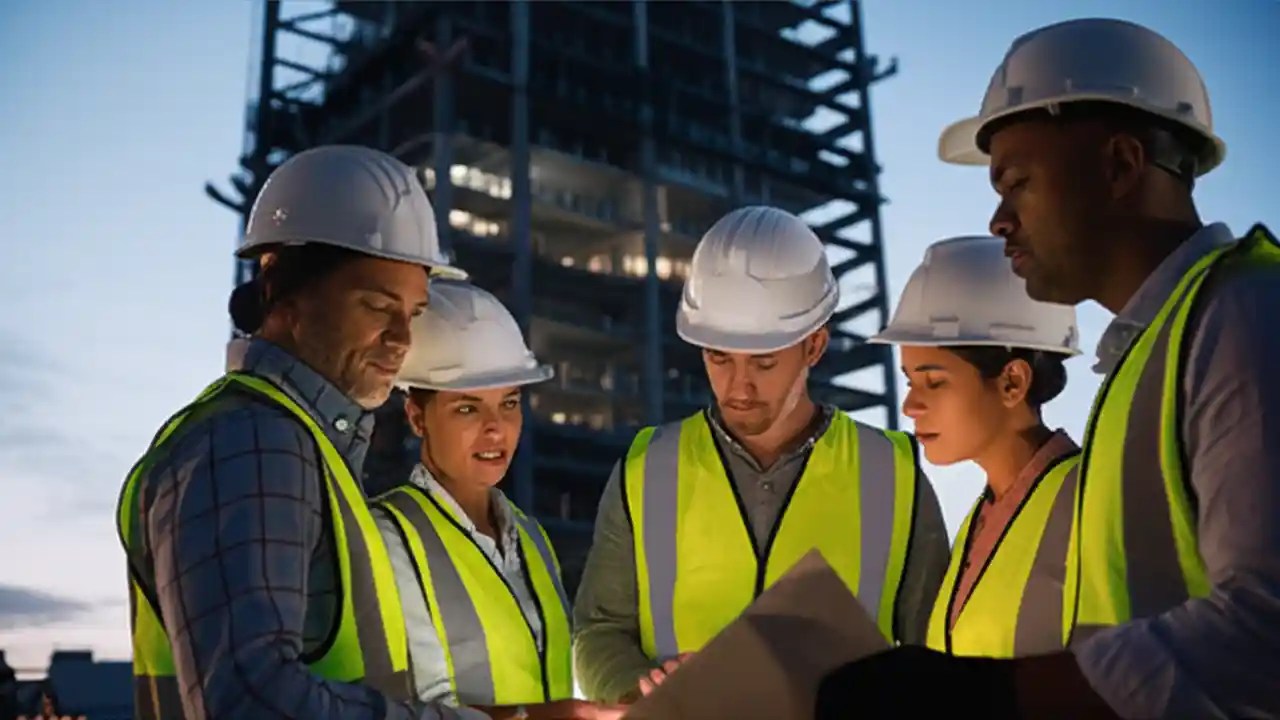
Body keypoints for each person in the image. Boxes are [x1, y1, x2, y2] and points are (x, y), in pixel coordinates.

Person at [817, 18, 1280, 719]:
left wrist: (989, 698)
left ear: (1121, 166)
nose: (1000, 220)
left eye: (1018, 183)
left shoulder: (1245, 314)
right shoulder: (1153, 359)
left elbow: (1264, 636)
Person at [115, 144, 484, 720]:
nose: (401, 340)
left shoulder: (300, 445)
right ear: (285, 297)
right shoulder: (254, 443)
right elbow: (251, 700)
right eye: (375, 305)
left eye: (410, 313)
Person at [572, 205, 950, 703]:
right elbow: (599, 631)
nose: (739, 387)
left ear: (814, 346)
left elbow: (937, 654)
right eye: (718, 358)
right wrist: (638, 697)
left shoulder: (893, 474)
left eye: (765, 363)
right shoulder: (646, 470)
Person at [373, 280, 624, 720]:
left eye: (509, 403)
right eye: (468, 409)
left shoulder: (531, 538)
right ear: (417, 417)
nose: (496, 429)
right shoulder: (385, 537)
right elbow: (395, 711)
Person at [866, 235, 1081, 657]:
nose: (910, 405)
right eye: (910, 382)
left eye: (935, 382)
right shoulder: (982, 521)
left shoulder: (1088, 504)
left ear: (1012, 382)